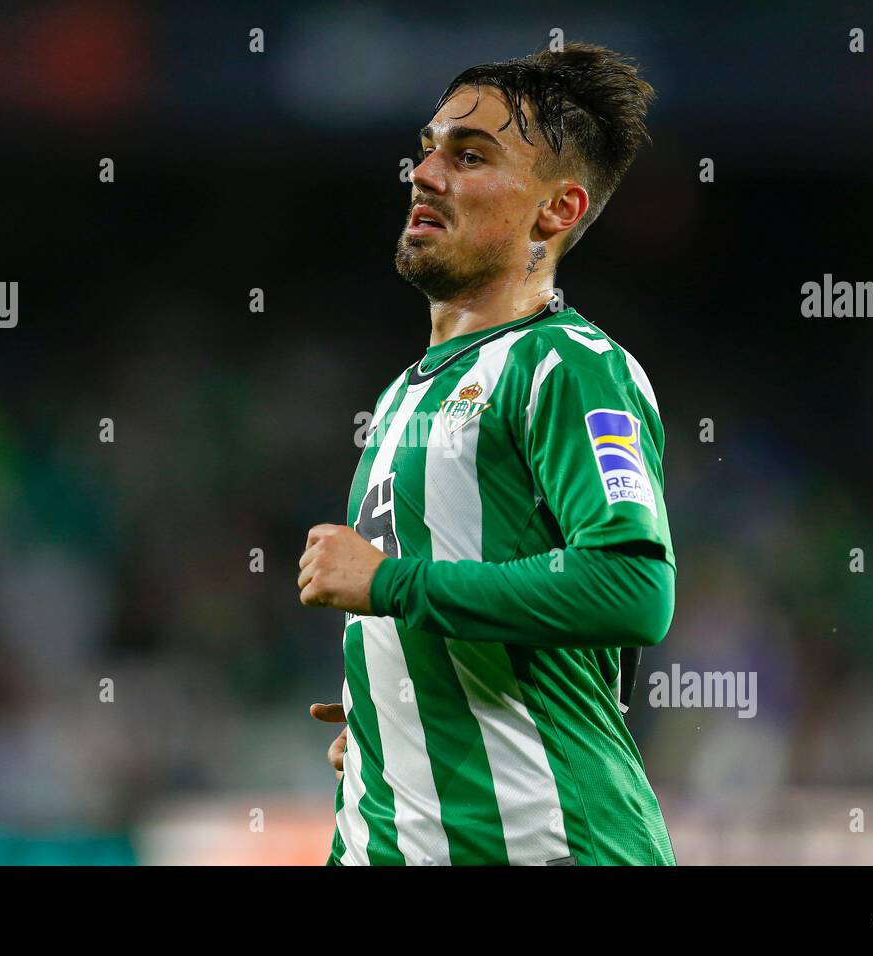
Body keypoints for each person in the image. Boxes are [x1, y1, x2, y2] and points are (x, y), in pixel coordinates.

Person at [298, 42, 675, 865]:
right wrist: (400, 728)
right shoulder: (405, 394)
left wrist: (387, 582)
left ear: (557, 211)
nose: (425, 174)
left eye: (469, 157)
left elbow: (632, 588)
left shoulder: (567, 365)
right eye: (430, 147)